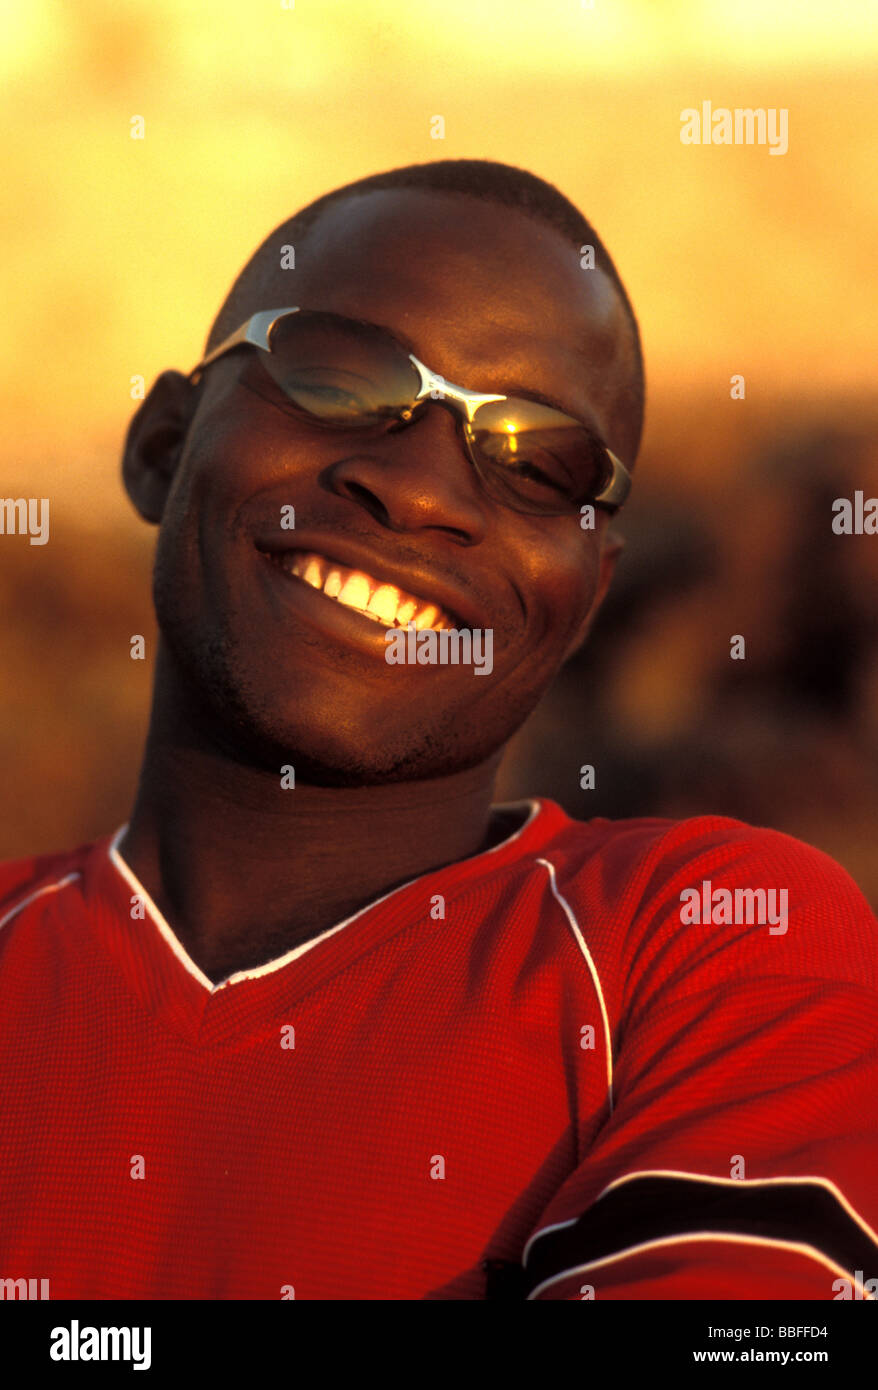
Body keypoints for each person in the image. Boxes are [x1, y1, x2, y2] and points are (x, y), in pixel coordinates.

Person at [1, 160, 876, 1301]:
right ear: (164, 445)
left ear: (587, 598)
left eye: (540, 463)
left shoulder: (704, 944)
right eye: (335, 378)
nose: (418, 490)